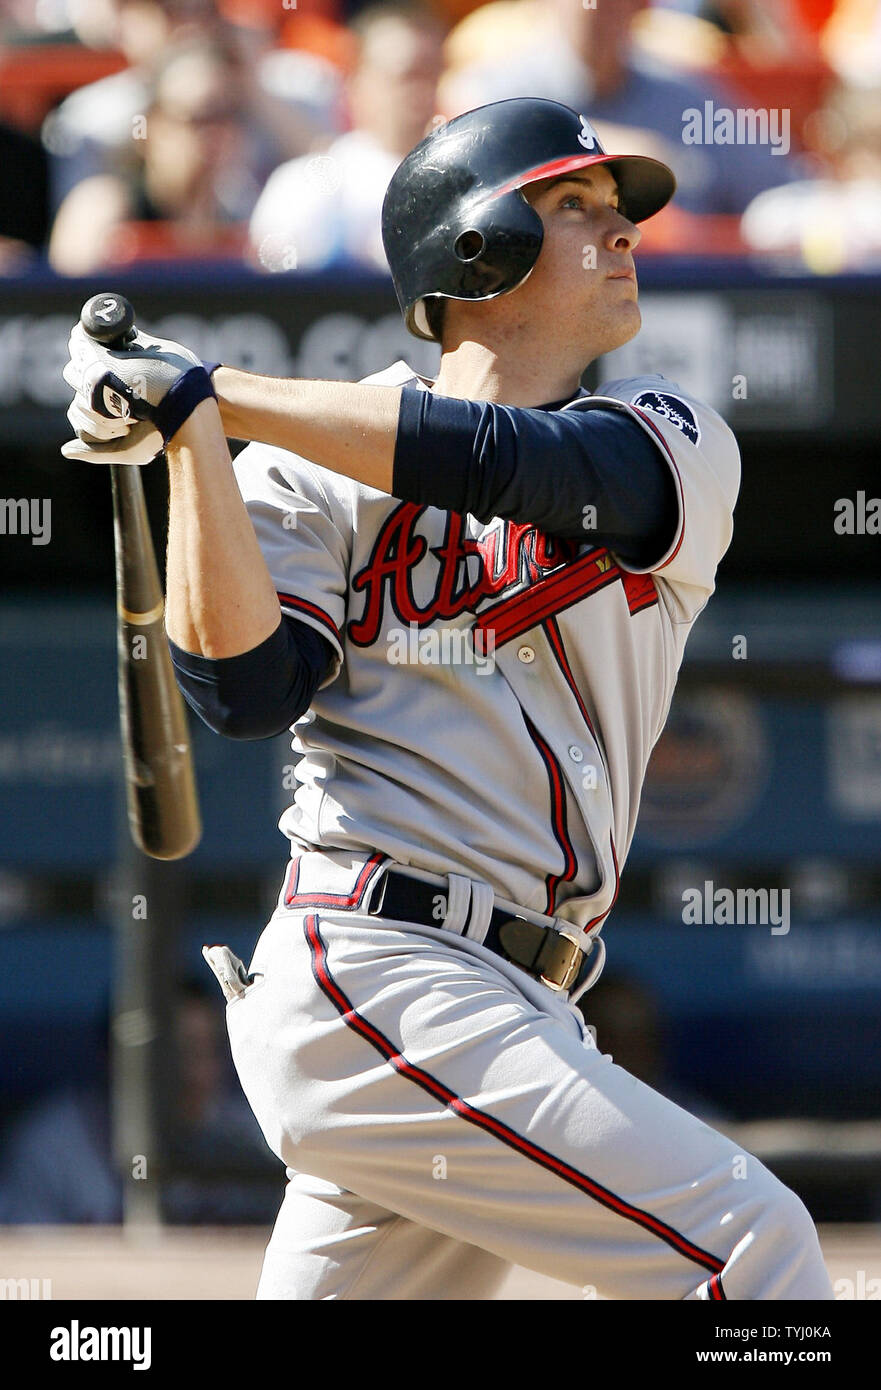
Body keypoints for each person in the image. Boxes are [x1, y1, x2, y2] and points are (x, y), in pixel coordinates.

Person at [61, 97, 832, 1300]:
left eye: (615, 209)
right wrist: (188, 446)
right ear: (476, 248)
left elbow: (512, 463)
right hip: (379, 966)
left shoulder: (671, 437)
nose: (619, 231)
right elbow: (244, 689)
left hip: (519, 996)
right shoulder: (296, 467)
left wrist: (206, 390)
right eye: (574, 207)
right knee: (753, 1251)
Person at [248, 0, 445, 274]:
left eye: (433, 73)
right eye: (407, 75)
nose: (422, 91)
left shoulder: (465, 180)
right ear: (357, 81)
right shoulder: (306, 184)